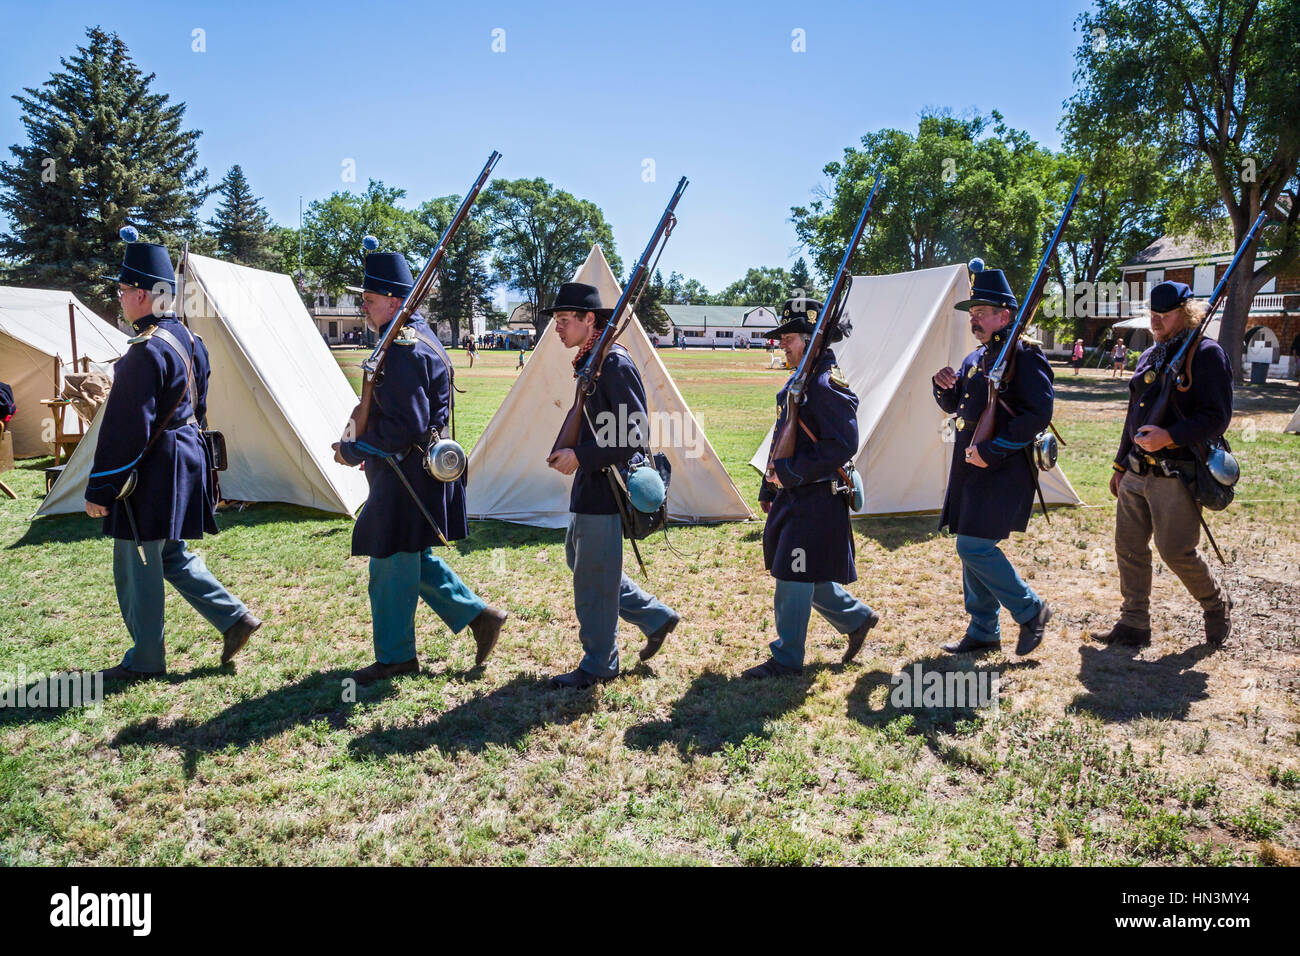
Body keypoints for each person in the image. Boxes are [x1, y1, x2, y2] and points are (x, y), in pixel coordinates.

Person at [84, 229, 261, 682]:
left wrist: (101, 487)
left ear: (142, 294)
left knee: (137, 561)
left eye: (123, 290)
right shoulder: (190, 340)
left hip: (151, 468)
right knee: (169, 553)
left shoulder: (145, 351)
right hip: (186, 458)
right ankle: (234, 618)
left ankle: (145, 660)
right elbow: (197, 408)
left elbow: (127, 430)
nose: (120, 298)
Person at [333, 241, 507, 685]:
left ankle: (396, 658)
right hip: (412, 471)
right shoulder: (414, 336)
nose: (364, 307)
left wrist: (353, 449)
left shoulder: (405, 347)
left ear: (395, 300)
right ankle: (478, 616)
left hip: (404, 473)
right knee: (411, 557)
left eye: (369, 299)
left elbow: (404, 427)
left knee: (389, 563)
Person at [543, 282, 679, 688]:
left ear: (590, 320)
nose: (557, 330)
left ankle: (600, 662)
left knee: (592, 577)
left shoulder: (614, 363)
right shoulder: (593, 360)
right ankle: (653, 616)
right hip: (592, 486)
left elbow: (633, 435)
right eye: (556, 322)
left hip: (606, 489)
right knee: (583, 563)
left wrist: (581, 456)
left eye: (564, 321)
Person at [744, 297, 879, 678]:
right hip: (796, 493)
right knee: (806, 570)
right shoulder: (801, 380)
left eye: (789, 337)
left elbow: (842, 445)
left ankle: (787, 658)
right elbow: (785, 436)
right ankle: (855, 619)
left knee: (792, 571)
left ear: (814, 340)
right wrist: (769, 488)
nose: (782, 344)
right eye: (782, 337)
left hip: (816, 496)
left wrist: (789, 474)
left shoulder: (823, 383)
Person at [1096, 281, 1233, 648]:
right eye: (1153, 313)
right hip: (1137, 468)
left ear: (1185, 313)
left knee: (1176, 551)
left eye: (1164, 314)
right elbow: (1134, 415)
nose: (1155, 320)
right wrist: (1120, 465)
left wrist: (1169, 436)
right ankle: (1134, 623)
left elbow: (1216, 418)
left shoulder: (1206, 354)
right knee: (1128, 547)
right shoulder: (1149, 356)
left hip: (1176, 471)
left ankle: (1215, 604)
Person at [931, 261, 1054, 656]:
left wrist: (991, 450)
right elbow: (961, 407)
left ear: (1005, 314)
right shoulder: (976, 358)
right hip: (970, 468)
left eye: (982, 312)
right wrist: (943, 388)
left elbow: (1038, 414)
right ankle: (983, 628)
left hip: (1003, 468)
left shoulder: (1025, 356)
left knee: (974, 547)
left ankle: (1031, 609)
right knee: (970, 545)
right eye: (973, 313)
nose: (975, 319)